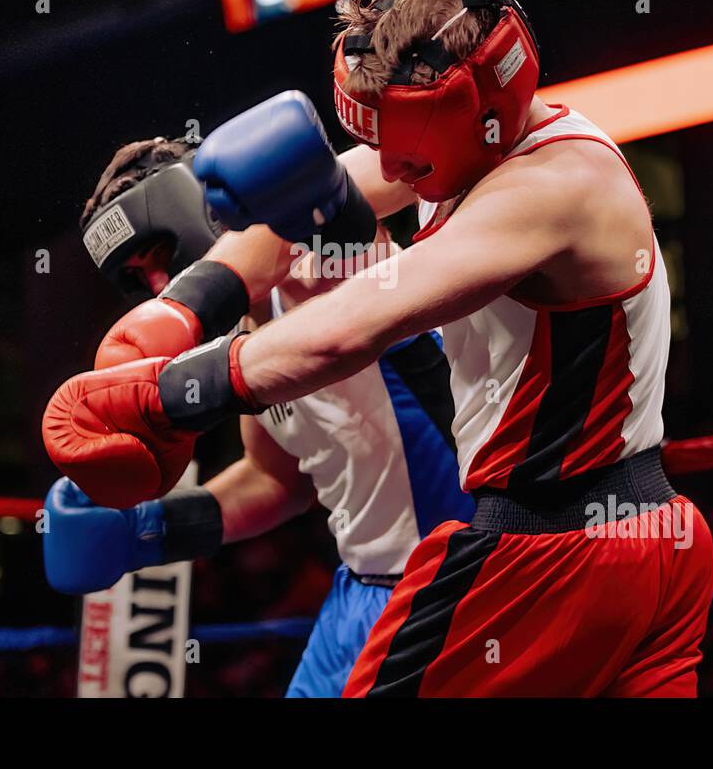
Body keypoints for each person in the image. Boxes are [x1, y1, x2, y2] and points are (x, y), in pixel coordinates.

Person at [43, 0, 713, 696]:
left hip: (541, 548)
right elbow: (276, 469)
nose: (388, 165)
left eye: (158, 262)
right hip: (620, 541)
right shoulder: (451, 155)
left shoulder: (543, 190)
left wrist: (170, 390)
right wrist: (181, 311)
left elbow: (347, 324)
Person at [43, 135, 471, 696]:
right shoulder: (246, 346)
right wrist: (149, 530)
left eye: (163, 259)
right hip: (362, 591)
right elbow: (276, 479)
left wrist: (188, 303)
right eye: (139, 280)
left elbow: (331, 192)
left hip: (458, 578)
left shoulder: (318, 263)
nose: (155, 286)